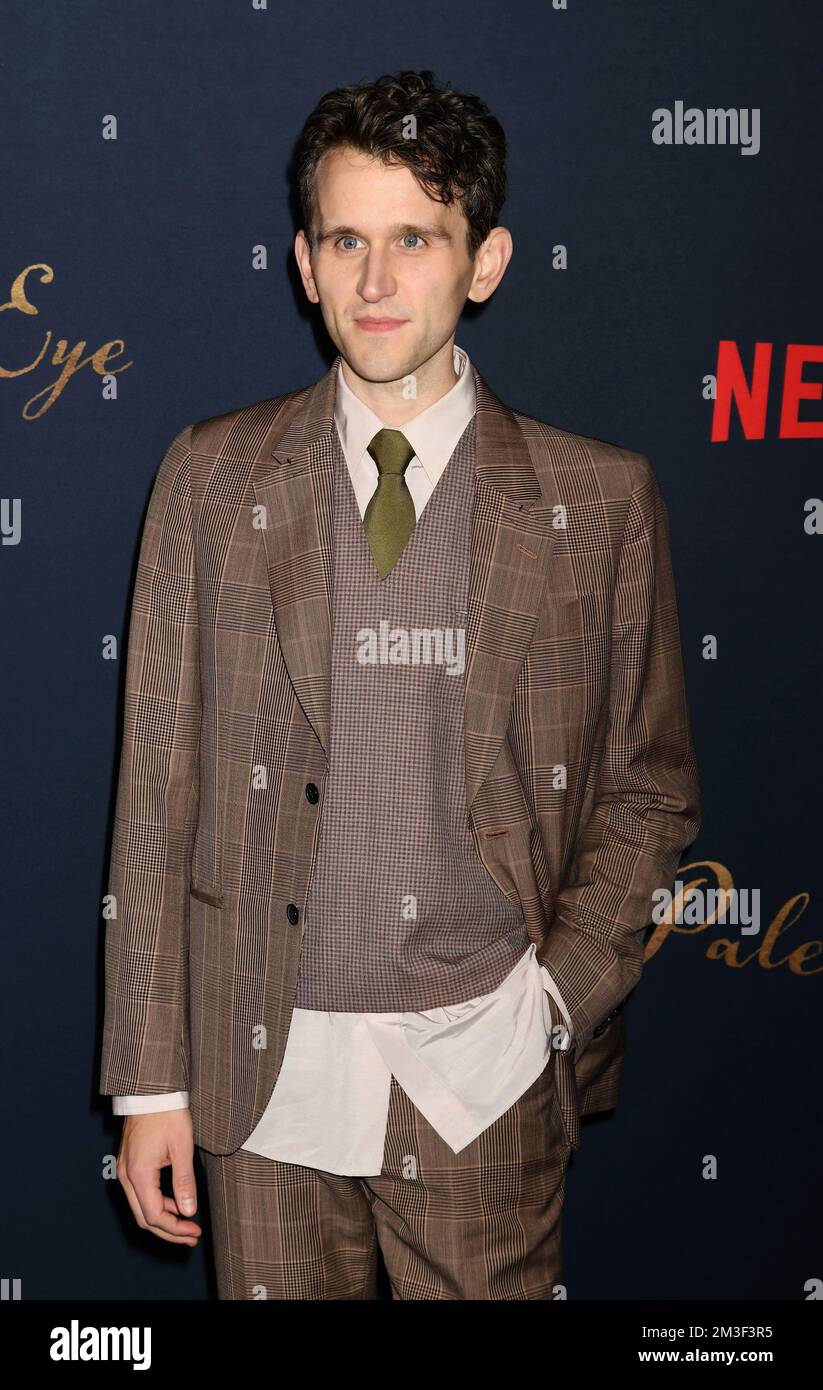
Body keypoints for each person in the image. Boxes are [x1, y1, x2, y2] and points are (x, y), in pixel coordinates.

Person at [99, 68, 701, 1300]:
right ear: (304, 265)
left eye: (415, 239)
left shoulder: (598, 501)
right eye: (348, 241)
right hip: (260, 1074)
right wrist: (153, 1082)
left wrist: (545, 1009)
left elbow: (649, 794)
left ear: (483, 263)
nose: (378, 282)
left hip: (482, 1071)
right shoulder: (209, 479)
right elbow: (157, 791)